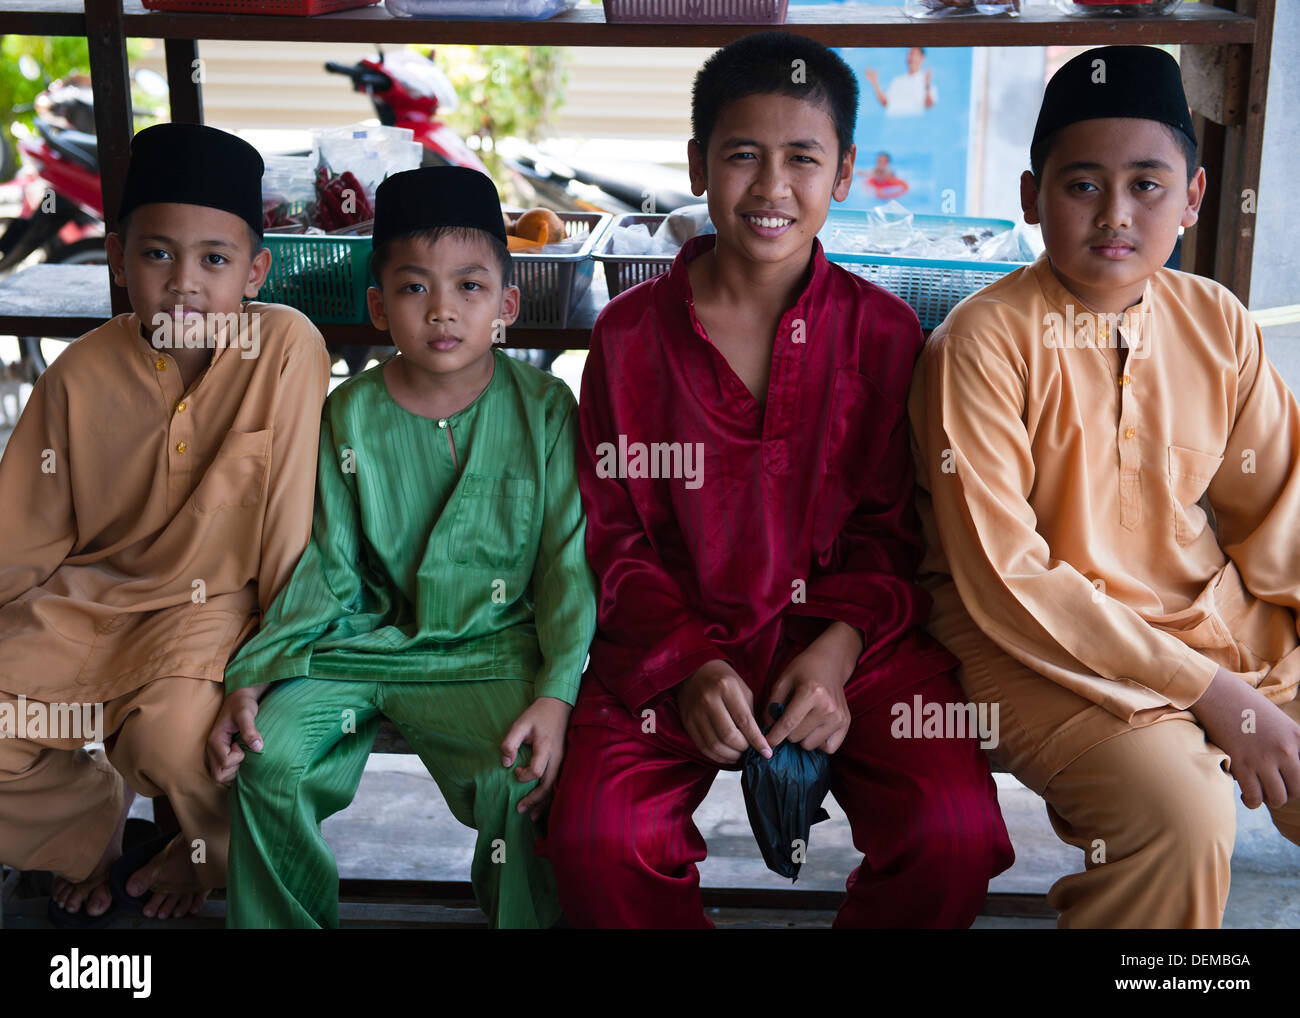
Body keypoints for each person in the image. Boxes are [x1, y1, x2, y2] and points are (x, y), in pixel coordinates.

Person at [540, 31, 1013, 929]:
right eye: (742, 156)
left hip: (851, 642)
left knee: (952, 834)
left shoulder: (883, 332)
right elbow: (614, 537)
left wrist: (838, 651)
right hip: (671, 642)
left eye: (802, 158)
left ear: (845, 175)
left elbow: (893, 533)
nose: (771, 187)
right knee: (599, 841)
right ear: (697, 165)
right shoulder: (630, 336)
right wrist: (688, 666)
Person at [909, 45, 1300, 928]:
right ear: (1031, 196)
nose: (1115, 214)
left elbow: (1280, 513)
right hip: (1029, 644)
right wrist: (1213, 693)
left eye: (1147, 185)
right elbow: (1008, 576)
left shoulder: (1217, 321)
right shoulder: (981, 343)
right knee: (1179, 818)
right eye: (1082, 184)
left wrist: (1232, 676)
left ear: (1194, 197)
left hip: (1207, 621)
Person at [212, 166, 596, 929]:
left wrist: (557, 693)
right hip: (362, 646)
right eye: (415, 287)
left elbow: (566, 566)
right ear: (379, 308)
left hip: (493, 650)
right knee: (268, 761)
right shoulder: (348, 415)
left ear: (507, 305)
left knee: (522, 777)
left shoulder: (546, 410)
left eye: (470, 287)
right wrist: (255, 674)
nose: (443, 310)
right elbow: (327, 567)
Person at [0, 122, 331, 924]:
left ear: (256, 271)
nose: (184, 283)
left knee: (177, 740)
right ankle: (90, 831)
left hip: (213, 615)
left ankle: (201, 852)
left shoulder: (285, 348)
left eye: (215, 260)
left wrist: (273, 666)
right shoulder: (78, 375)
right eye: (157, 254)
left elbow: (290, 534)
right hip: (87, 610)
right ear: (117, 258)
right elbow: (22, 542)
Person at [865, 47, 937, 119]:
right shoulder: (897, 81)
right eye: (909, 54)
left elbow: (929, 104)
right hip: (893, 122)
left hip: (915, 123)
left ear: (922, 58)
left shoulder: (926, 81)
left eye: (914, 54)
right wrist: (874, 82)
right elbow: (885, 102)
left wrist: (927, 85)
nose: (911, 57)